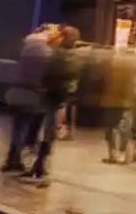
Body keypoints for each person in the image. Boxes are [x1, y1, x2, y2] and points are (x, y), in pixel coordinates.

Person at [21, 25, 81, 187]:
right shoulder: (74, 56)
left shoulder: (55, 54)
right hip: (60, 98)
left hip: (46, 96)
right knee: (49, 132)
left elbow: (47, 74)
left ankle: (33, 166)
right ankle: (41, 165)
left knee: (34, 130)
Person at [0, 25, 59, 175]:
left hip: (19, 92)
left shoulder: (26, 47)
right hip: (36, 94)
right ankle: (29, 163)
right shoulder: (47, 52)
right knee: (33, 131)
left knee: (17, 129)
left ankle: (12, 159)